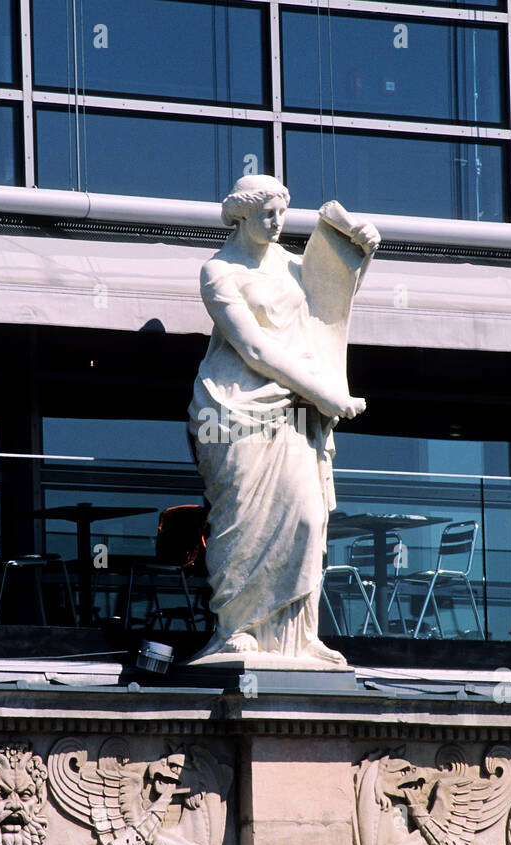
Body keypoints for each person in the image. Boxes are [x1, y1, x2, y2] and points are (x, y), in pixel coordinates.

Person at [187, 175, 378, 664]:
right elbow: (254, 348)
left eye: (281, 214)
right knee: (241, 518)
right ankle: (234, 626)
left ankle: (299, 634)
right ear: (241, 215)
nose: (276, 224)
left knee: (307, 516)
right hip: (236, 411)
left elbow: (329, 299)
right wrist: (325, 394)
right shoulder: (218, 273)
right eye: (267, 215)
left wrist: (363, 247)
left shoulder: (291, 265)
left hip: (294, 412)